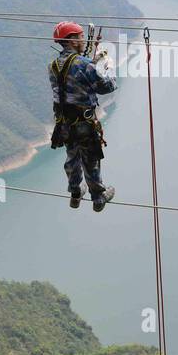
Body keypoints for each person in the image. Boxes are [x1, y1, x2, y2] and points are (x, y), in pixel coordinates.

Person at [49, 21, 117, 212]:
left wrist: (91, 64)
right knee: (90, 158)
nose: (83, 39)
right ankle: (98, 197)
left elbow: (72, 81)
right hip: (84, 121)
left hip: (64, 122)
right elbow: (107, 87)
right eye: (80, 36)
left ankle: (76, 192)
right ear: (71, 40)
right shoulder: (84, 64)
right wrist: (108, 67)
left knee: (72, 156)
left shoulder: (53, 66)